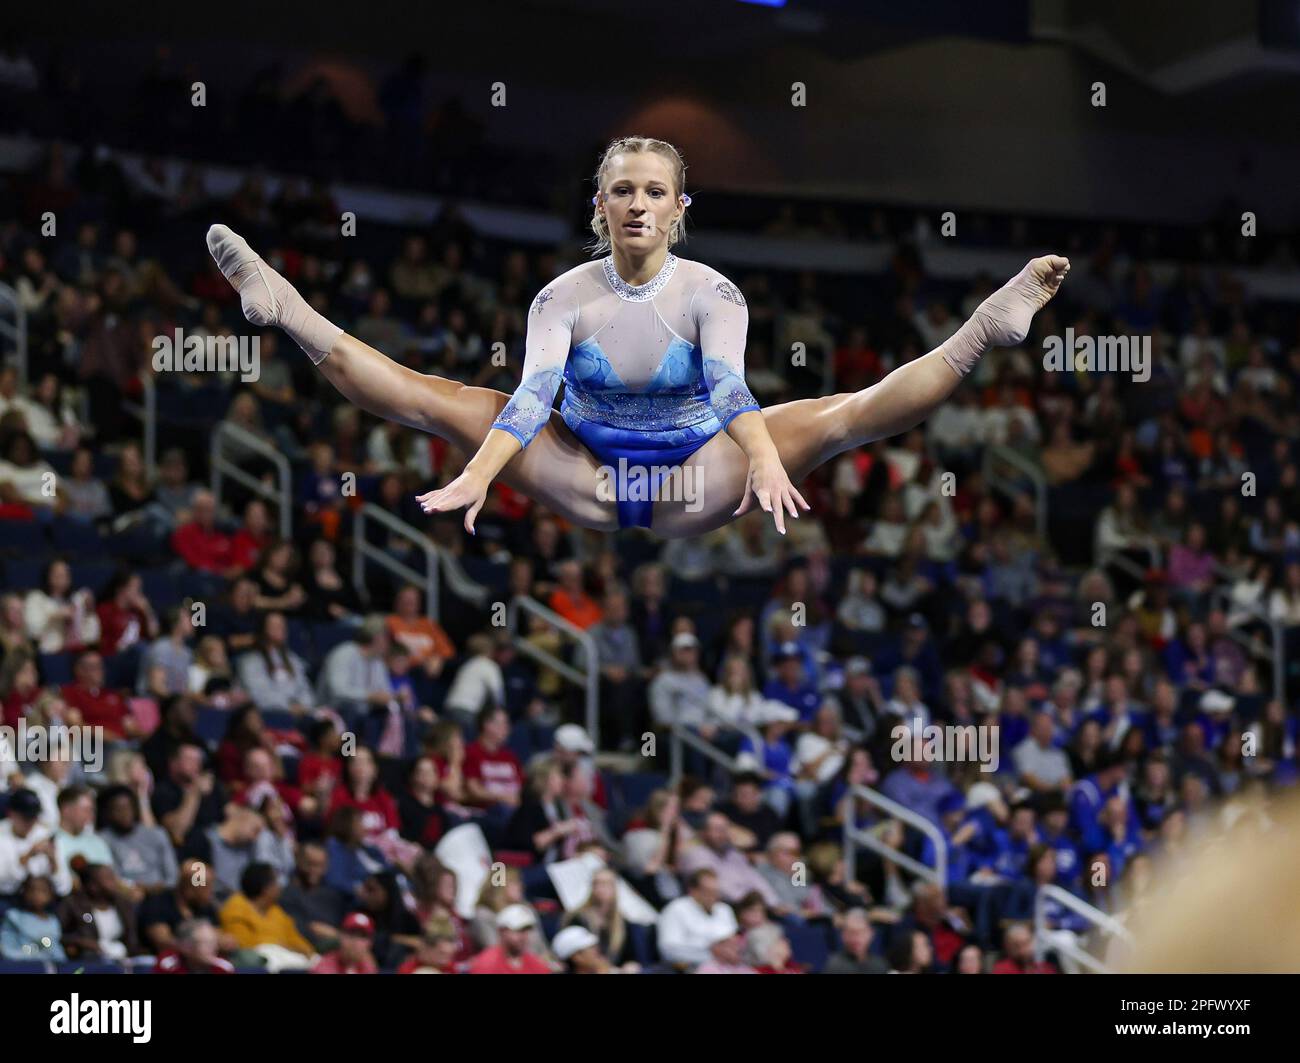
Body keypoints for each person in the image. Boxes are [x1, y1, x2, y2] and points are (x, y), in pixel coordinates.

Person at [206, 138, 1068, 538]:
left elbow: (731, 390)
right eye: (622, 190)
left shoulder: (712, 293)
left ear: (679, 209)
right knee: (449, 400)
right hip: (583, 471)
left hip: (699, 475)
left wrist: (768, 459)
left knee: (843, 413)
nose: (638, 204)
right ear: (600, 206)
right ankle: (283, 305)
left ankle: (984, 327)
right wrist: (476, 473)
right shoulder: (562, 297)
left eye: (656, 190)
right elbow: (535, 395)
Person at [219, 861, 316, 963]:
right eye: (276, 882)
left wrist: (305, 951)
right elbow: (243, 945)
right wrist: (278, 945)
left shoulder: (276, 911)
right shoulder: (235, 907)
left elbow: (296, 940)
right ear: (265, 888)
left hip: (288, 959)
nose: (279, 887)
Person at [656, 868, 738, 968]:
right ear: (692, 890)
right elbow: (668, 950)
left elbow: (734, 942)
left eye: (716, 891)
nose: (713, 896)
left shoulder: (725, 909)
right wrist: (710, 954)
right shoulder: (676, 909)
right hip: (691, 968)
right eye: (708, 891)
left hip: (729, 967)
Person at [57, 863, 139, 960]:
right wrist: (81, 942)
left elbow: (132, 940)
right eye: (109, 878)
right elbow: (57, 934)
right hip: (86, 960)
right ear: (93, 885)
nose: (115, 882)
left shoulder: (123, 904)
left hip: (121, 959)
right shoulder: (72, 904)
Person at [0, 788, 71, 897]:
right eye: (26, 818)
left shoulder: (44, 834)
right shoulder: (2, 834)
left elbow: (64, 888)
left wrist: (53, 861)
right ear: (11, 814)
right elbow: (4, 886)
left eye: (34, 817)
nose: (31, 823)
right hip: (10, 900)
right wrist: (29, 855)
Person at [466, 904, 552, 974]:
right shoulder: (486, 964)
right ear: (502, 931)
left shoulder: (536, 963)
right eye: (518, 930)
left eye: (526, 931)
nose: (524, 936)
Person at [1, 874, 67, 961]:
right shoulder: (14, 917)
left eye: (43, 891)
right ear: (23, 892)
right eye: (31, 890)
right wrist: (40, 957)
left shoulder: (53, 921)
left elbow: (57, 953)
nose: (36, 895)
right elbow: (7, 950)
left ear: (51, 895)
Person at [154, 918, 236, 974]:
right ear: (186, 947)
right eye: (206, 943)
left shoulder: (224, 968)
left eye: (214, 943)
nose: (214, 948)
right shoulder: (168, 965)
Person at [310, 912, 379, 974]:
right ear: (341, 936)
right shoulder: (324, 967)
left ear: (370, 943)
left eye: (362, 936)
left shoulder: (368, 968)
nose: (355, 941)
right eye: (351, 934)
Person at [824, 908, 888, 974]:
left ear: (870, 933)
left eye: (861, 932)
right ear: (843, 935)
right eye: (851, 932)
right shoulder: (834, 966)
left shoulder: (880, 965)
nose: (856, 938)